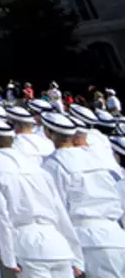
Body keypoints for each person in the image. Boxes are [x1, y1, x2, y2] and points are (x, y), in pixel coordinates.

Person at [0, 117, 84, 278]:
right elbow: (59, 211)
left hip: (28, 247)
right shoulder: (35, 167)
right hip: (58, 244)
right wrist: (76, 254)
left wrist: (8, 258)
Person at [40, 112, 125, 278]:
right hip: (116, 234)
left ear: (48, 133)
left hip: (87, 239)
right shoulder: (99, 158)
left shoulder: (53, 164)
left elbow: (58, 210)